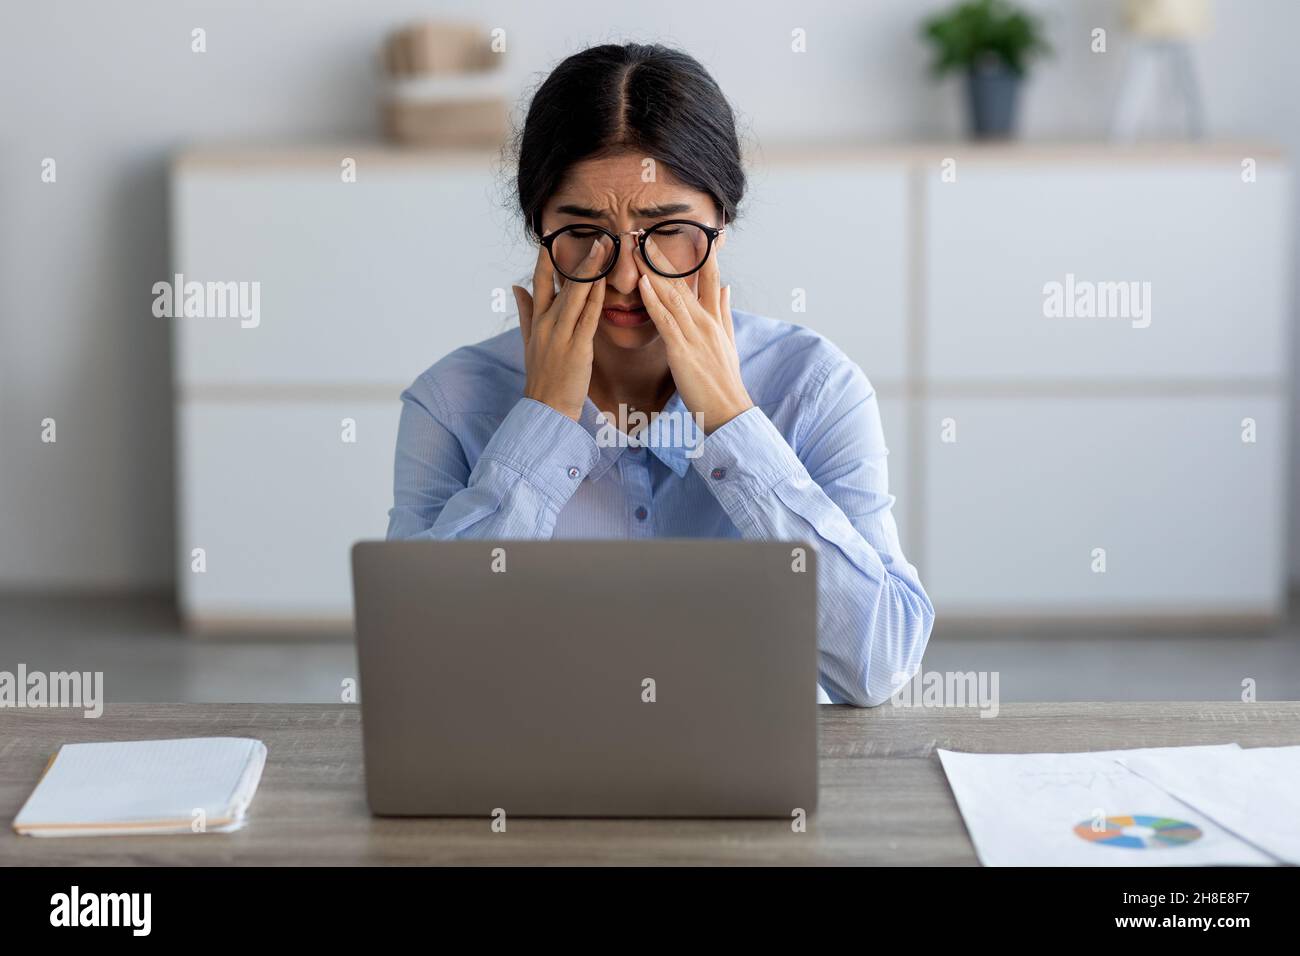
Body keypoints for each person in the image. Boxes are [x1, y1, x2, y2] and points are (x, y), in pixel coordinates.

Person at [387, 43, 933, 706]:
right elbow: (418, 671)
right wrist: (541, 421)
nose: (622, 275)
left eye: (667, 228)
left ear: (720, 227)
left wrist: (734, 421)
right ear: (538, 232)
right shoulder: (451, 400)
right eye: (582, 229)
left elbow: (879, 664)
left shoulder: (815, 386)